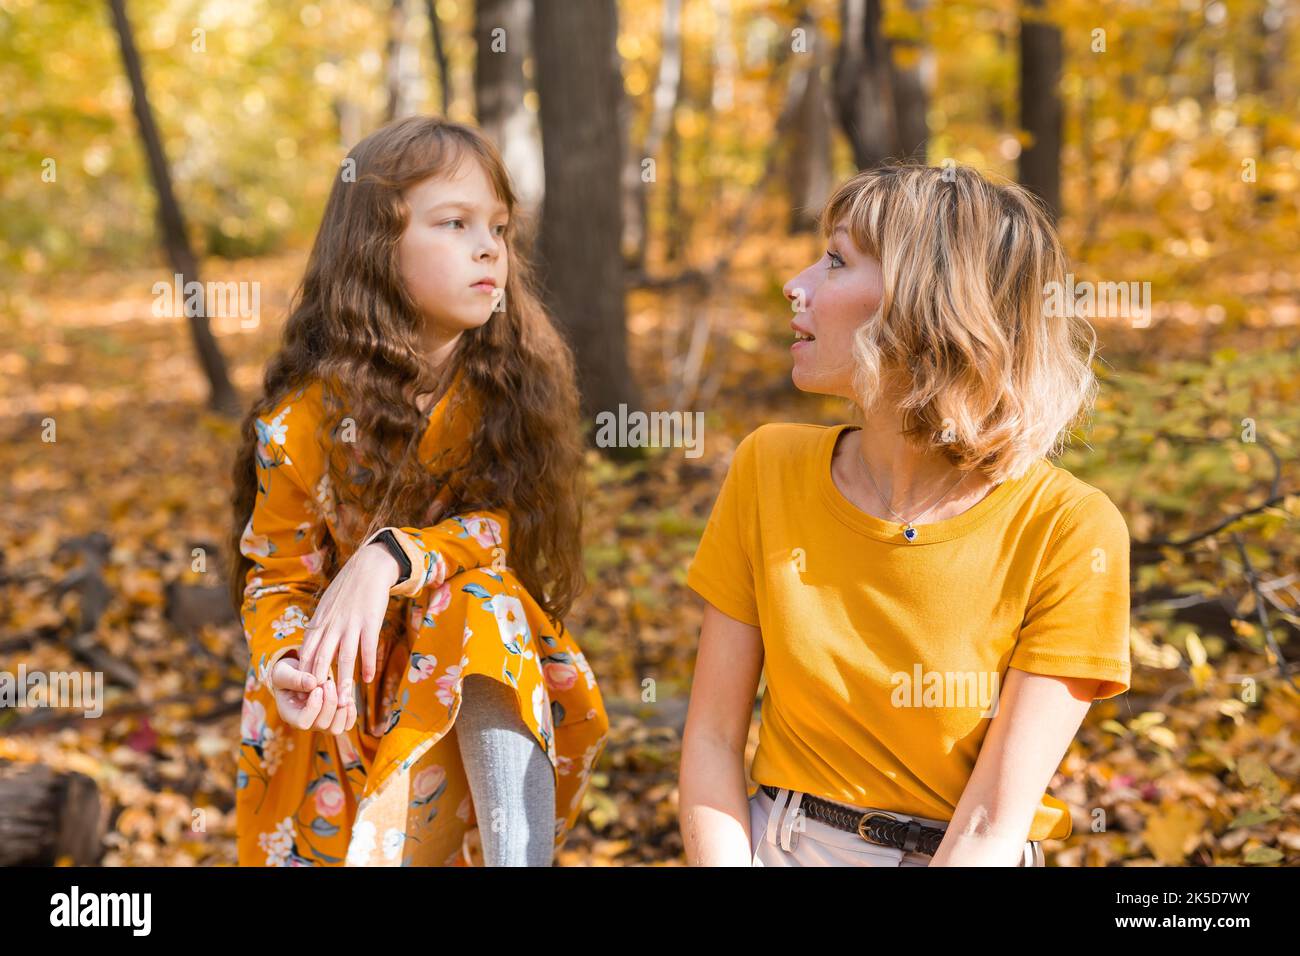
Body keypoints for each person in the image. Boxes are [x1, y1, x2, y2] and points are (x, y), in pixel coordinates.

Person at [679, 163, 1132, 867]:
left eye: (835, 260)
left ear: (931, 305)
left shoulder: (1071, 529)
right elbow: (710, 741)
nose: (793, 285)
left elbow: (989, 825)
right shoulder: (768, 468)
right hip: (777, 846)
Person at [230, 116, 608, 867]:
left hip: (469, 697)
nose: (488, 249)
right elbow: (276, 578)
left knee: (481, 601)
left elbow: (503, 536)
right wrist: (285, 666)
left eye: (498, 227)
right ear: (376, 249)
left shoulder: (509, 391)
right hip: (343, 712)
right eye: (454, 223)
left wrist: (393, 556)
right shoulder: (300, 423)